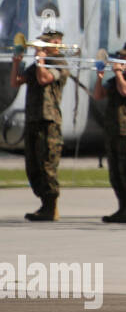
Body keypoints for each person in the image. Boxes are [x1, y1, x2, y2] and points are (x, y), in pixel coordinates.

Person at [12, 31, 70, 221]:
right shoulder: (38, 64)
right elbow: (16, 82)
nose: (58, 44)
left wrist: (41, 60)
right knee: (33, 165)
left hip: (49, 120)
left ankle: (51, 206)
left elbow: (44, 78)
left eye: (58, 42)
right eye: (53, 42)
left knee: (47, 164)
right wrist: (16, 62)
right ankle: (45, 204)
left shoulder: (60, 63)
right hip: (33, 119)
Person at [93, 43, 126, 223]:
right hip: (114, 132)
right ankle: (122, 207)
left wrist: (117, 73)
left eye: (125, 58)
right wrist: (100, 77)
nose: (121, 61)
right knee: (115, 174)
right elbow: (98, 95)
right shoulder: (117, 80)